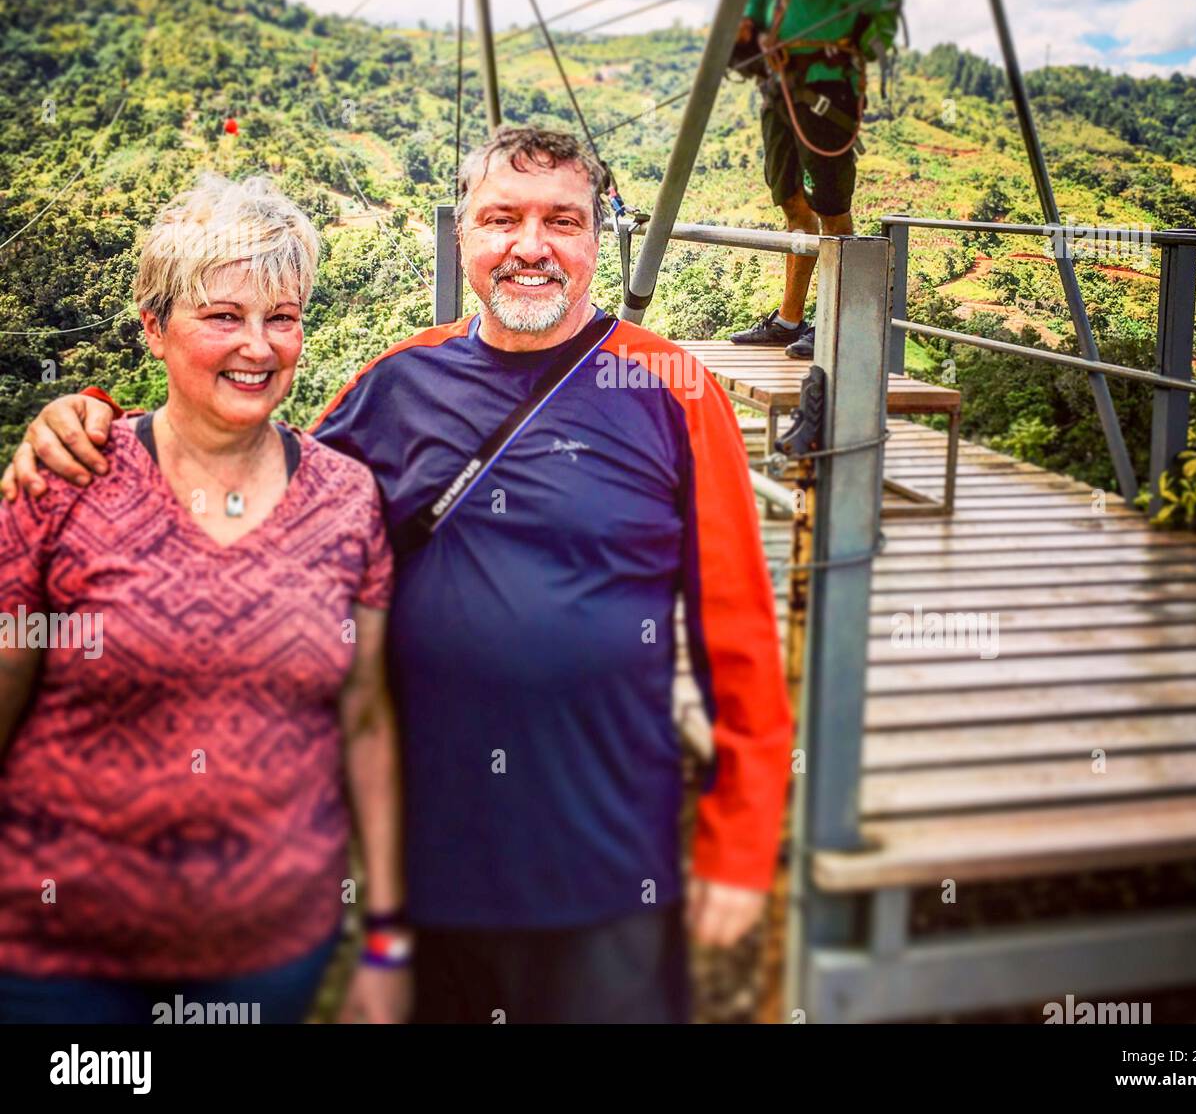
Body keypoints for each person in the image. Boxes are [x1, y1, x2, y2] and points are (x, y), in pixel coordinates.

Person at [4, 127, 793, 1025]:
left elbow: (739, 634)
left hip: (608, 864)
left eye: (561, 221)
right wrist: (97, 423)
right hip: (435, 868)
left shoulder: (673, 391)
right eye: (502, 218)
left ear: (595, 239)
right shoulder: (399, 384)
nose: (530, 246)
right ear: (463, 234)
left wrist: (738, 845)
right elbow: (253, 462)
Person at [0, 174, 407, 1025]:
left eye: (281, 318)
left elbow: (365, 717)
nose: (257, 346)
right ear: (153, 328)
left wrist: (384, 937)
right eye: (223, 316)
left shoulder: (345, 499)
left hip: (266, 958)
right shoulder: (64, 481)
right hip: (55, 959)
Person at [730, 0, 895, 360]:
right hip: (780, 81)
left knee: (830, 203)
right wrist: (745, 25)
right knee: (791, 202)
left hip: (827, 77)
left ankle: (836, 322)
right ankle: (790, 318)